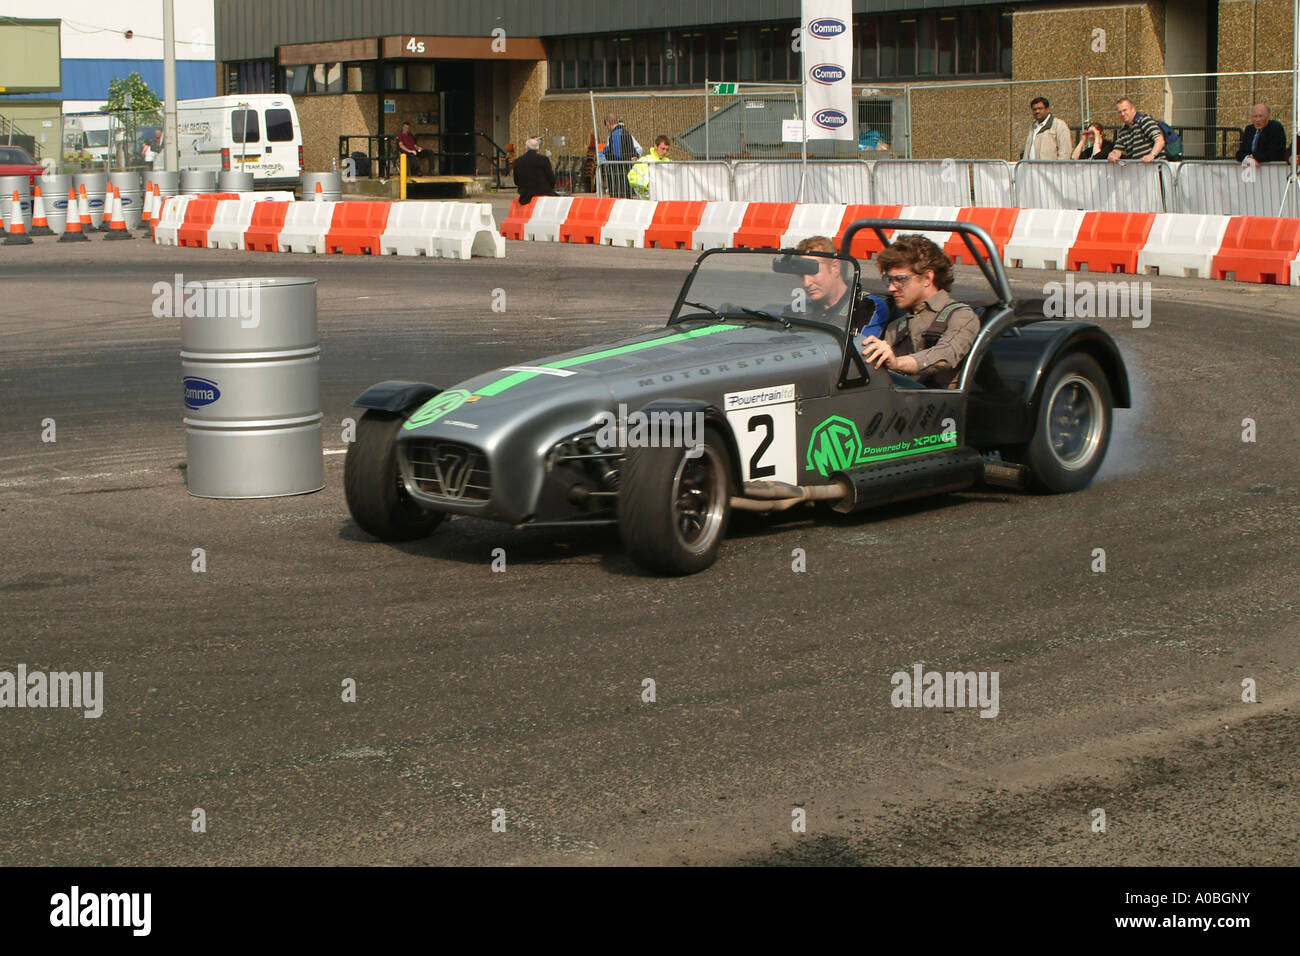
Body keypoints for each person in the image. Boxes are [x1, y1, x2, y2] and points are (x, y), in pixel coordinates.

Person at [860, 235, 979, 390]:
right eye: (890, 280)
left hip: (943, 409)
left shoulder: (961, 316)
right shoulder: (896, 326)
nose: (891, 288)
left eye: (900, 279)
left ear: (927, 278)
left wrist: (897, 363)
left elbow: (946, 355)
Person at [791, 236, 891, 338]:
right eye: (801, 275)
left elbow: (862, 348)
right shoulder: (798, 309)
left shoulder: (866, 306)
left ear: (835, 267)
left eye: (812, 272)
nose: (806, 283)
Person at [1108, 98, 1165, 163]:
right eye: (1119, 112)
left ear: (1133, 109)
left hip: (1154, 168)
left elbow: (1159, 140)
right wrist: (1113, 155)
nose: (1123, 114)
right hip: (1138, 169)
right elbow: (1118, 149)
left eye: (1125, 110)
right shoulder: (1123, 131)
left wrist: (1152, 155)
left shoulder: (1144, 120)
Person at [601, 113, 638, 198]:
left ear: (607, 123)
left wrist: (606, 152)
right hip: (627, 171)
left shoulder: (616, 134)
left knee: (618, 199)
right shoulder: (626, 133)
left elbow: (617, 155)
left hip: (618, 173)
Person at [511, 137, 557, 204]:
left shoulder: (518, 161)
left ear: (526, 147)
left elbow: (516, 181)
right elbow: (552, 179)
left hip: (526, 196)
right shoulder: (544, 160)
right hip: (544, 193)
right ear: (537, 148)